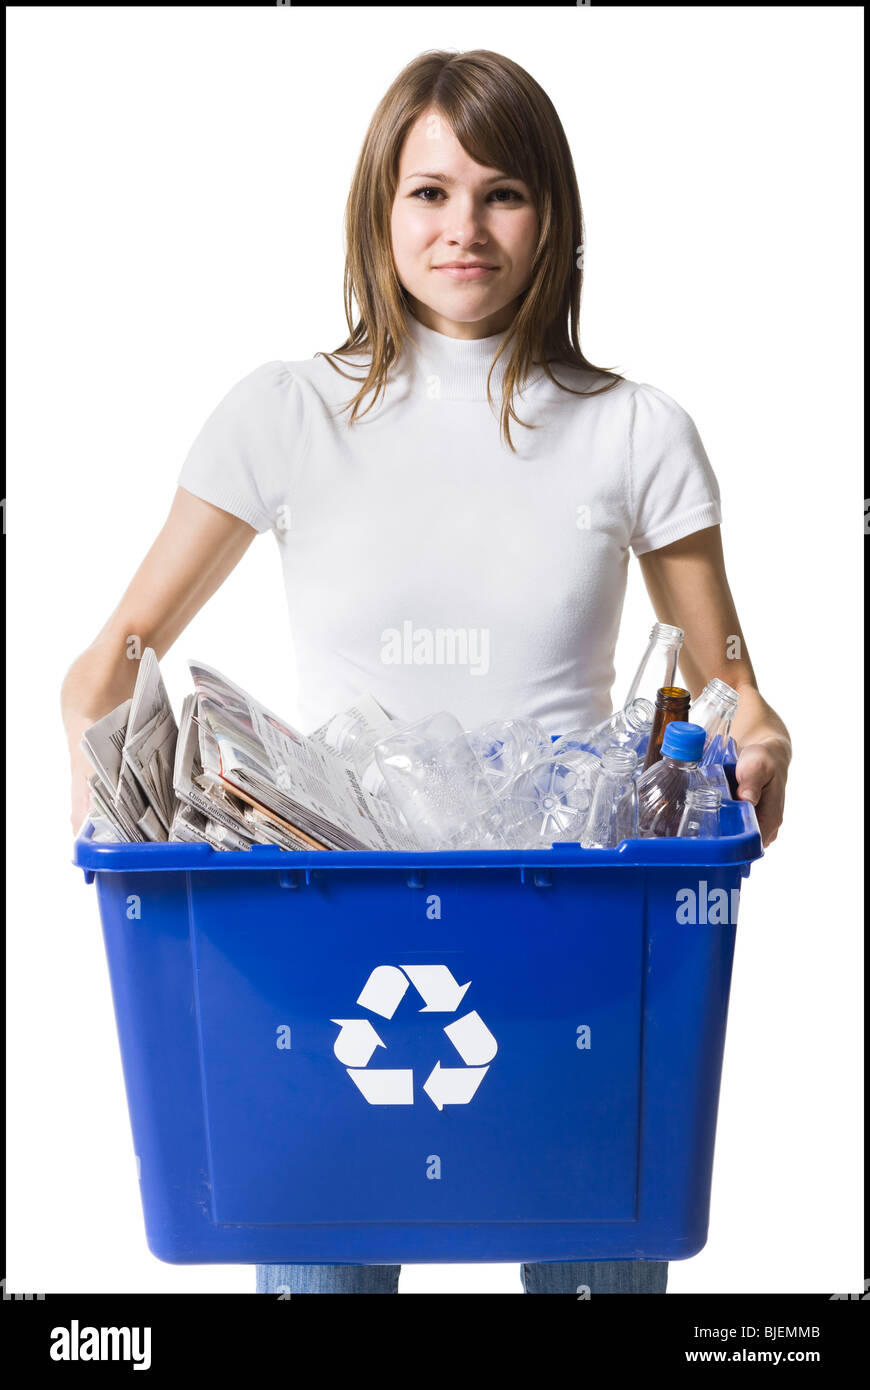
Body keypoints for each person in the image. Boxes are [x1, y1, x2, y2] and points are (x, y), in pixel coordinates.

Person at [61, 49, 791, 1296]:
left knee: (601, 1265)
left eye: (502, 193)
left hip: (578, 913)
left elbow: (730, 683)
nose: (465, 229)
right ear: (378, 210)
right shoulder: (285, 411)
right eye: (429, 193)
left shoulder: (636, 429)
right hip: (331, 917)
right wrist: (115, 825)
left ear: (552, 215)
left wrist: (761, 743)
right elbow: (118, 657)